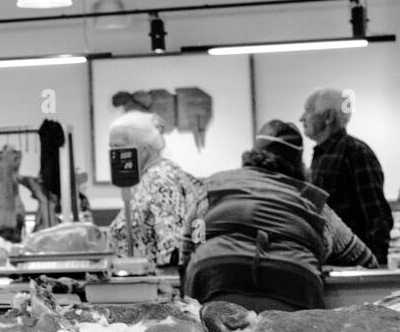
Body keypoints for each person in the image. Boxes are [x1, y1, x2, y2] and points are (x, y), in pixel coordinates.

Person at [182, 121, 376, 313]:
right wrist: (317, 255)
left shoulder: (213, 186)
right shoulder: (313, 203)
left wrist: (204, 247)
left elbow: (192, 239)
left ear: (252, 154)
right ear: (299, 164)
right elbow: (365, 260)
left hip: (210, 277)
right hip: (293, 282)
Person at [300, 87, 393, 264]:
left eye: (308, 110)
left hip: (355, 264)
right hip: (333, 261)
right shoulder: (322, 154)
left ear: (328, 117)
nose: (302, 118)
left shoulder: (356, 152)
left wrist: (377, 266)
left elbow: (376, 214)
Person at [107, 111, 203, 267]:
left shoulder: (161, 180)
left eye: (118, 147)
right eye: (111, 147)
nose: (113, 155)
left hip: (156, 285)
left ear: (144, 149)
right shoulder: (147, 178)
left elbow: (172, 247)